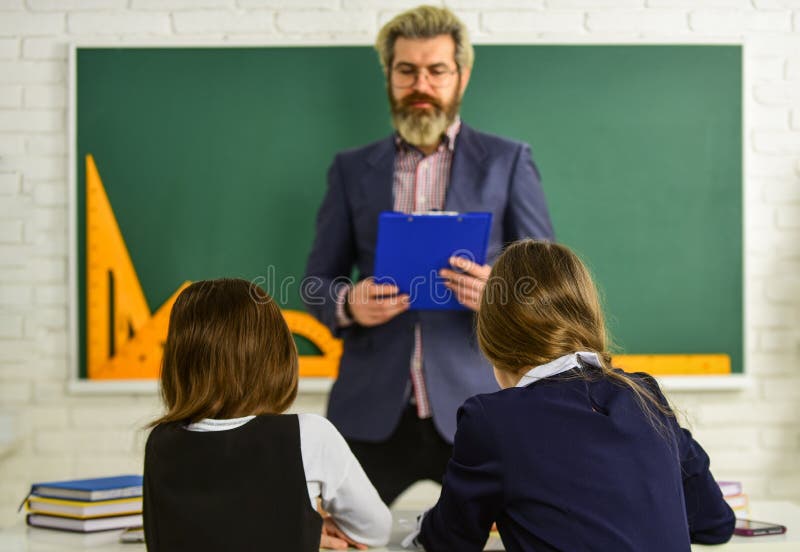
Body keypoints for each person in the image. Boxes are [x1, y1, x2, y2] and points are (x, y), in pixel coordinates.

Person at [302, 5, 554, 505]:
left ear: (461, 75)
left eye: (436, 70)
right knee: (336, 537)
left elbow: (548, 286)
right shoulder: (352, 169)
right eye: (406, 70)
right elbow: (315, 282)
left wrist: (500, 295)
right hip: (369, 412)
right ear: (390, 76)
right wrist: (349, 303)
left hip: (480, 407)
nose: (421, 83)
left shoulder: (508, 161)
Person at [403, 239, 736, 551]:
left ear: (493, 335)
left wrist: (421, 529)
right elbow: (715, 523)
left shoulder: (492, 419)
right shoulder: (644, 394)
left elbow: (451, 541)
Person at [142, 278, 391, 552]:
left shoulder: (160, 443)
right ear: (277, 355)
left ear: (179, 363)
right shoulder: (310, 435)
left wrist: (303, 529)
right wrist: (305, 528)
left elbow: (214, 529)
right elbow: (375, 530)